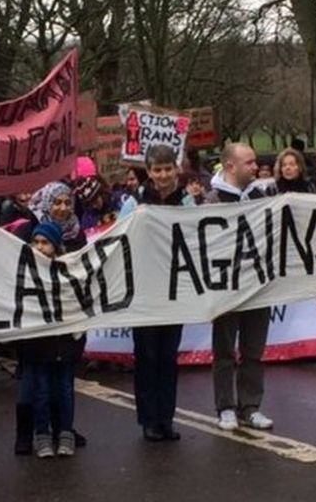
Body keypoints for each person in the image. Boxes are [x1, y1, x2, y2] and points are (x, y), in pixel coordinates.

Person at [205, 143, 275, 431]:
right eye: (249, 162)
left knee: (253, 349)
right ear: (231, 166)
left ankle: (250, 405)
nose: (255, 167)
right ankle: (225, 407)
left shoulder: (262, 196)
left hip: (257, 285)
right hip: (227, 288)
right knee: (224, 350)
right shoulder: (212, 200)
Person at [131, 145, 194, 442]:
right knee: (147, 355)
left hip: (174, 291)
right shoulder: (135, 201)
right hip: (145, 291)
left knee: (168, 356)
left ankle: (166, 417)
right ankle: (148, 419)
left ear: (176, 169)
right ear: (149, 171)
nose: (164, 175)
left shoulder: (188, 201)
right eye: (157, 170)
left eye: (168, 169)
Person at [20, 221, 84, 458]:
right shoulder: (26, 273)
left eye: (45, 243)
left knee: (65, 390)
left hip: (65, 343)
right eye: (35, 242)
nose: (39, 247)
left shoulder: (68, 272)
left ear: (55, 246)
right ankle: (42, 435)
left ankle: (65, 433)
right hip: (38, 345)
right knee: (42, 392)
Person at [32, 182, 87, 252]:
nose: (63, 208)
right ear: (47, 204)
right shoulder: (34, 224)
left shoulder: (76, 231)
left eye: (67, 203)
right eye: (57, 203)